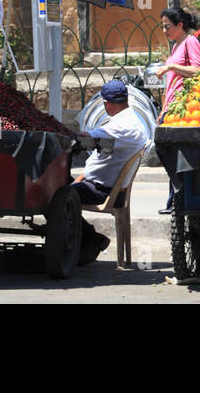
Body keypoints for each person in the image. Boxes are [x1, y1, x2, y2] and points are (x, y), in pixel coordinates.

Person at [72, 80, 149, 265]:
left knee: (57, 196)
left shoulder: (122, 125)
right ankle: (84, 238)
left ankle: (89, 239)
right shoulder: (130, 119)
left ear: (106, 104)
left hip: (104, 190)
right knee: (62, 187)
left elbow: (87, 136)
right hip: (103, 184)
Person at [157, 7, 200, 214]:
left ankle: (179, 199)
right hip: (172, 107)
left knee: (171, 151)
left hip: (184, 107)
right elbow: (172, 84)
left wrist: (171, 68)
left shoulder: (190, 42)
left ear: (180, 26)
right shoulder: (176, 46)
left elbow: (198, 71)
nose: (164, 31)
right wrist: (163, 108)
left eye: (167, 26)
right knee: (166, 149)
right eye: (163, 27)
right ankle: (175, 200)